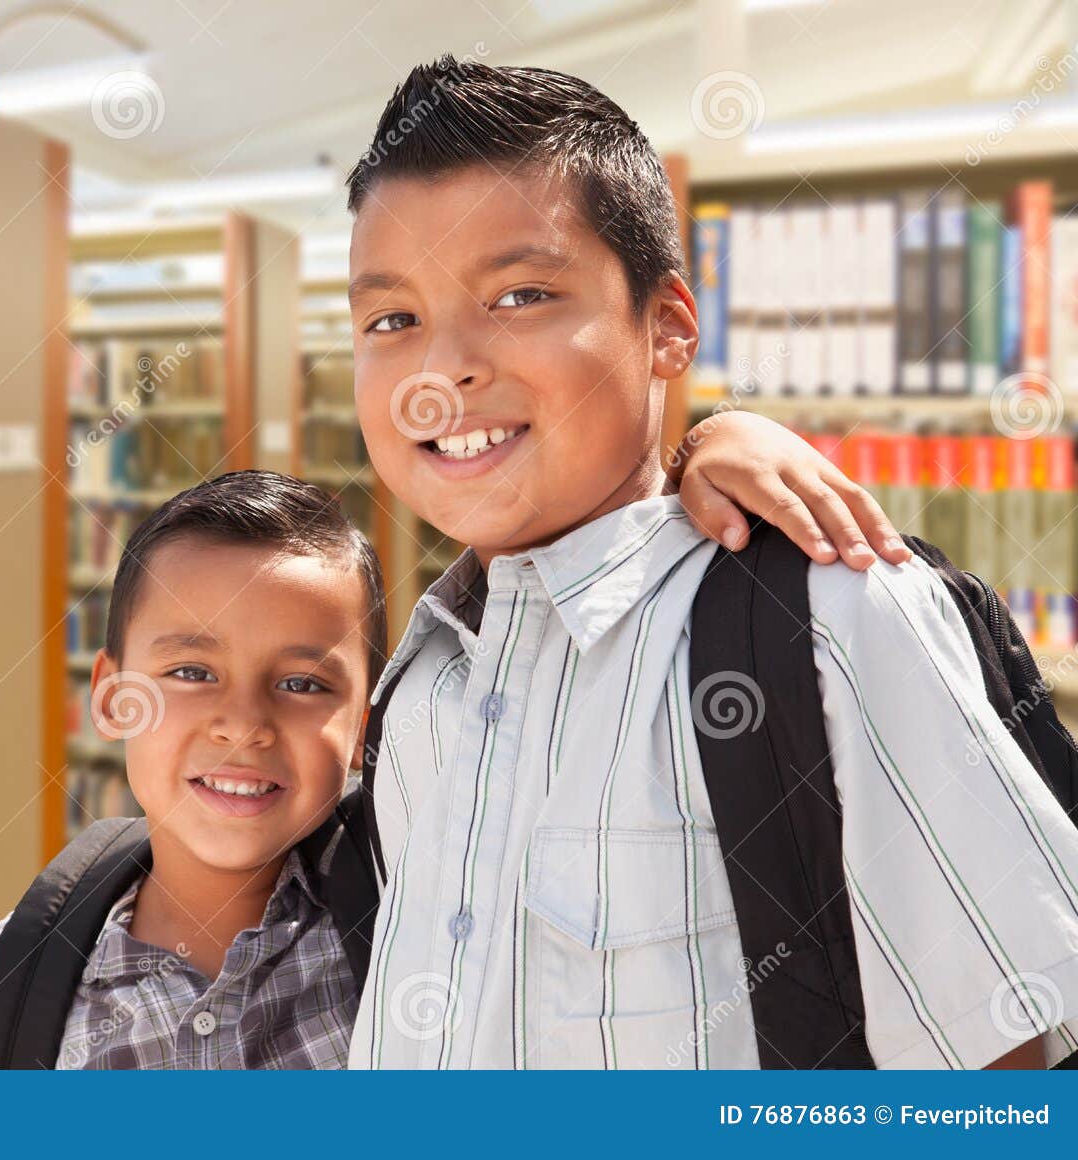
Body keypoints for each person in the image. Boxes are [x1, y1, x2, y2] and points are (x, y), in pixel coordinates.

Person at [345, 57, 1078, 1069]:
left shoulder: (834, 618)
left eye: (519, 294)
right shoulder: (418, 687)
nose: (442, 367)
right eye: (391, 319)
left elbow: (1000, 1074)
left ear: (667, 326)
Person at [0, 408, 914, 1068]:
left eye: (304, 681)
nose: (241, 721)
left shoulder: (434, 910)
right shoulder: (18, 995)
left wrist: (707, 440)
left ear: (369, 722)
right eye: (190, 671)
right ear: (111, 698)